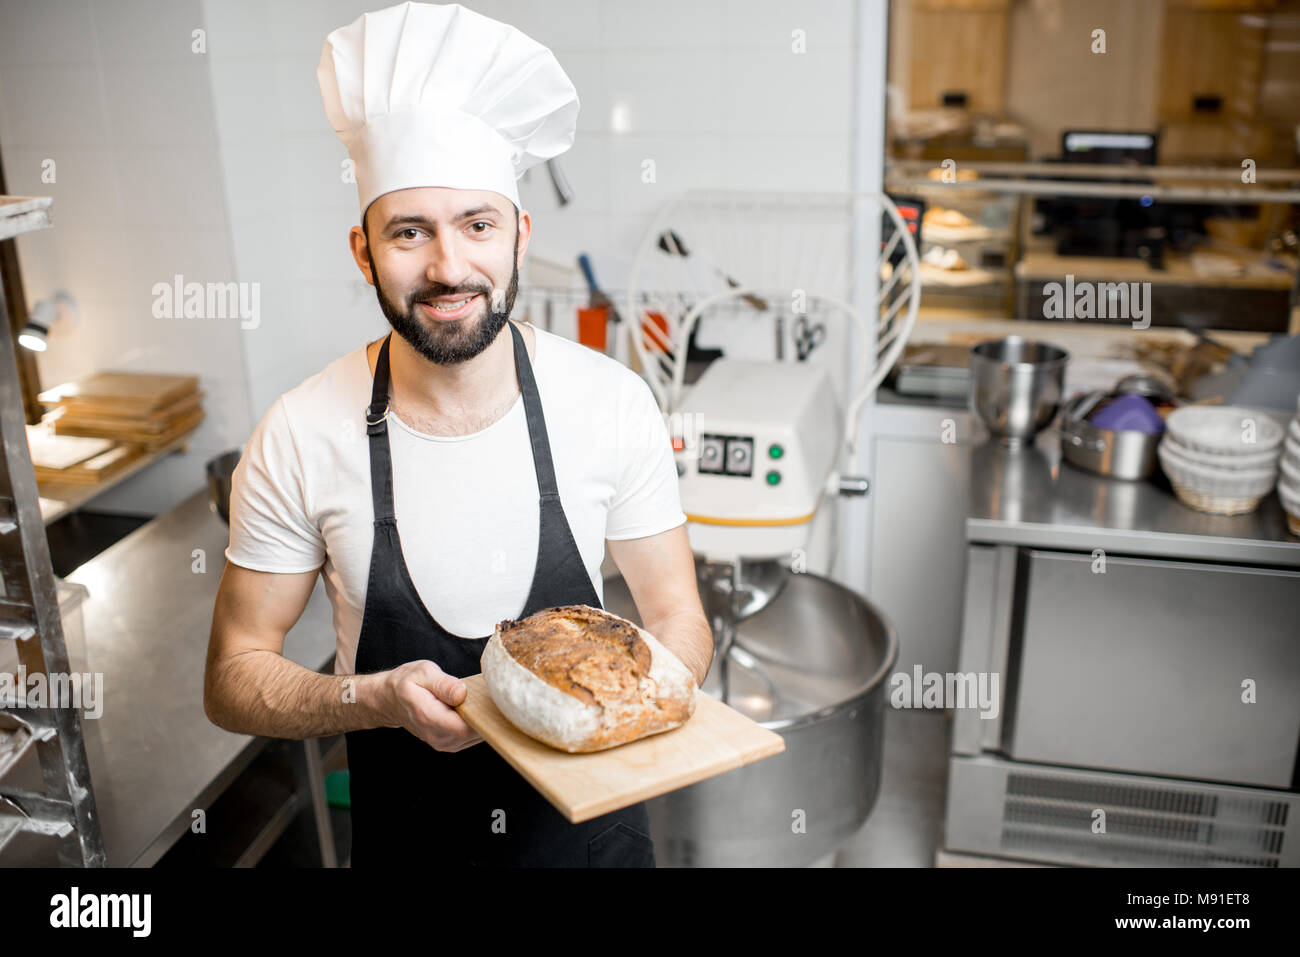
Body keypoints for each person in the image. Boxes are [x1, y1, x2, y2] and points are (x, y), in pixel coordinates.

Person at [204, 1, 712, 868]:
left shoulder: (610, 403)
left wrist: (623, 708)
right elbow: (231, 674)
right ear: (364, 251)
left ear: (520, 234)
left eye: (477, 224)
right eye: (410, 232)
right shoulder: (298, 433)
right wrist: (369, 699)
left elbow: (676, 618)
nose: (448, 266)